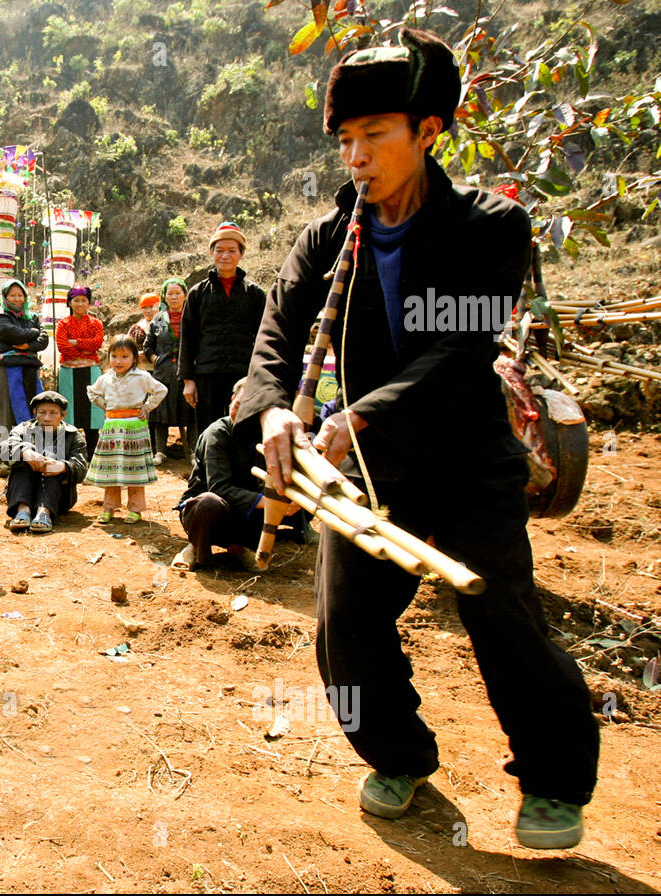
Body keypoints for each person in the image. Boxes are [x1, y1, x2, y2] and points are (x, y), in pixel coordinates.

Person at [236, 28, 598, 848]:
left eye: (376, 135)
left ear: (427, 131)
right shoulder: (327, 241)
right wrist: (273, 411)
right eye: (346, 140)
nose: (356, 156)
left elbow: (462, 345)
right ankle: (396, 753)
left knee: (500, 613)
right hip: (368, 464)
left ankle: (555, 779)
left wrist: (357, 412)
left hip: (467, 455)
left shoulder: (491, 225)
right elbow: (275, 339)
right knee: (345, 624)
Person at [173, 380, 306, 572]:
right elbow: (219, 488)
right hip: (211, 511)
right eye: (238, 406)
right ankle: (195, 546)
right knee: (208, 502)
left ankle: (240, 547)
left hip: (246, 512)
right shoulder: (217, 433)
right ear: (232, 400)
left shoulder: (268, 435)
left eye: (251, 410)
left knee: (286, 498)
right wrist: (270, 502)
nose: (243, 414)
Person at [178, 222, 267, 433]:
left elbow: (264, 336)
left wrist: (261, 376)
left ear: (241, 254)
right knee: (209, 430)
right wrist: (188, 380)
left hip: (244, 374)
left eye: (231, 251)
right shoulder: (198, 293)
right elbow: (187, 337)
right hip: (206, 375)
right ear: (211, 253)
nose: (225, 256)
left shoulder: (254, 293)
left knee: (243, 429)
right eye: (219, 250)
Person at [83, 336, 167, 524]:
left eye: (124, 356)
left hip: (135, 428)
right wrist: (104, 405)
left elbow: (161, 390)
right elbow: (92, 392)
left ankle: (136, 509)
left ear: (134, 358)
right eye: (114, 356)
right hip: (112, 428)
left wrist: (147, 407)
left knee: (134, 471)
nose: (118, 361)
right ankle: (109, 507)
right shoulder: (105, 378)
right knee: (111, 469)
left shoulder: (142, 377)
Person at [3, 390, 89, 533]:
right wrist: (25, 452)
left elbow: (81, 468)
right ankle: (23, 511)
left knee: (52, 458)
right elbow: (4, 449)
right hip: (22, 492)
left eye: (53, 413)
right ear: (35, 412)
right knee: (23, 458)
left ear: (63, 415)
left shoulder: (74, 436)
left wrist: (62, 467)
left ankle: (44, 512)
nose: (47, 418)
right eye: (42, 412)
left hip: (59, 498)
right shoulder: (23, 429)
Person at [144, 277, 198, 466]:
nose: (174, 297)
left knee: (191, 412)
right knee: (161, 413)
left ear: (185, 295)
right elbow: (149, 345)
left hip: (188, 372)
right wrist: (156, 359)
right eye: (170, 294)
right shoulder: (159, 319)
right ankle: (160, 451)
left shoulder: (193, 316)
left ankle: (192, 451)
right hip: (164, 372)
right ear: (164, 297)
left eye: (177, 293)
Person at [0, 279, 49, 441]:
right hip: (6, 367)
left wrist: (28, 346)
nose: (17, 299)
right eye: (12, 295)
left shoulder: (32, 317)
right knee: (6, 410)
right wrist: (34, 333)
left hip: (29, 368)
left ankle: (31, 449)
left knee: (34, 406)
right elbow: (10, 332)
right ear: (5, 297)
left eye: (20, 295)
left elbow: (44, 340)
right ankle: (6, 456)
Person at [54, 285, 105, 455]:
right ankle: (70, 452)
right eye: (76, 300)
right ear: (69, 302)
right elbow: (63, 346)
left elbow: (97, 343)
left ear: (89, 303)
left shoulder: (96, 323)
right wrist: (84, 349)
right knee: (69, 412)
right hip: (69, 372)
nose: (80, 304)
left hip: (91, 371)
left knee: (93, 412)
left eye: (84, 300)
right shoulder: (62, 324)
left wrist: (75, 342)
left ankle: (92, 453)